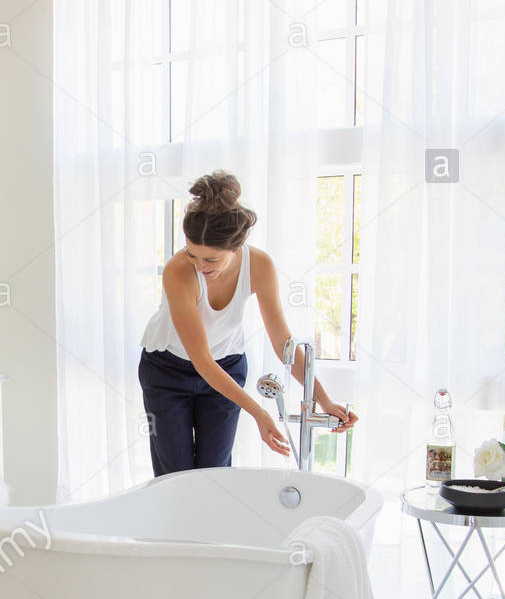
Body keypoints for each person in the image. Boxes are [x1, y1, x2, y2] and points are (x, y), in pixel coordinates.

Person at [138, 170, 359, 476]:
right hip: (168, 371)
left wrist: (323, 399)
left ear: (236, 247)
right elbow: (201, 360)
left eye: (211, 260)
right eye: (192, 254)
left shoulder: (260, 266)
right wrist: (258, 413)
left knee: (215, 474)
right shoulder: (178, 272)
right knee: (176, 477)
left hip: (226, 366)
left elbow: (284, 343)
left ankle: (213, 526)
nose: (200, 267)